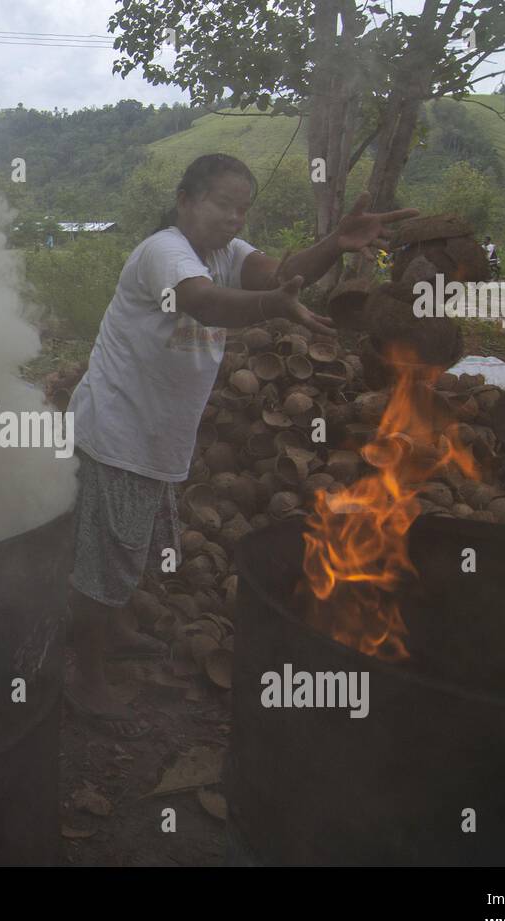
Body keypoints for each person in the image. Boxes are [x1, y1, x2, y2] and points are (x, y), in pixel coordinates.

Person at [63, 153, 418, 737]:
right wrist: (269, 308)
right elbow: (203, 302)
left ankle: (120, 632)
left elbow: (281, 271)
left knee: (130, 542)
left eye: (241, 208)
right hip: (116, 429)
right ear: (185, 200)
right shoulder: (165, 251)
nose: (233, 218)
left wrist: (336, 241)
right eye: (222, 204)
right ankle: (87, 676)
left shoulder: (226, 252)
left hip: (156, 434)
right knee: (105, 559)